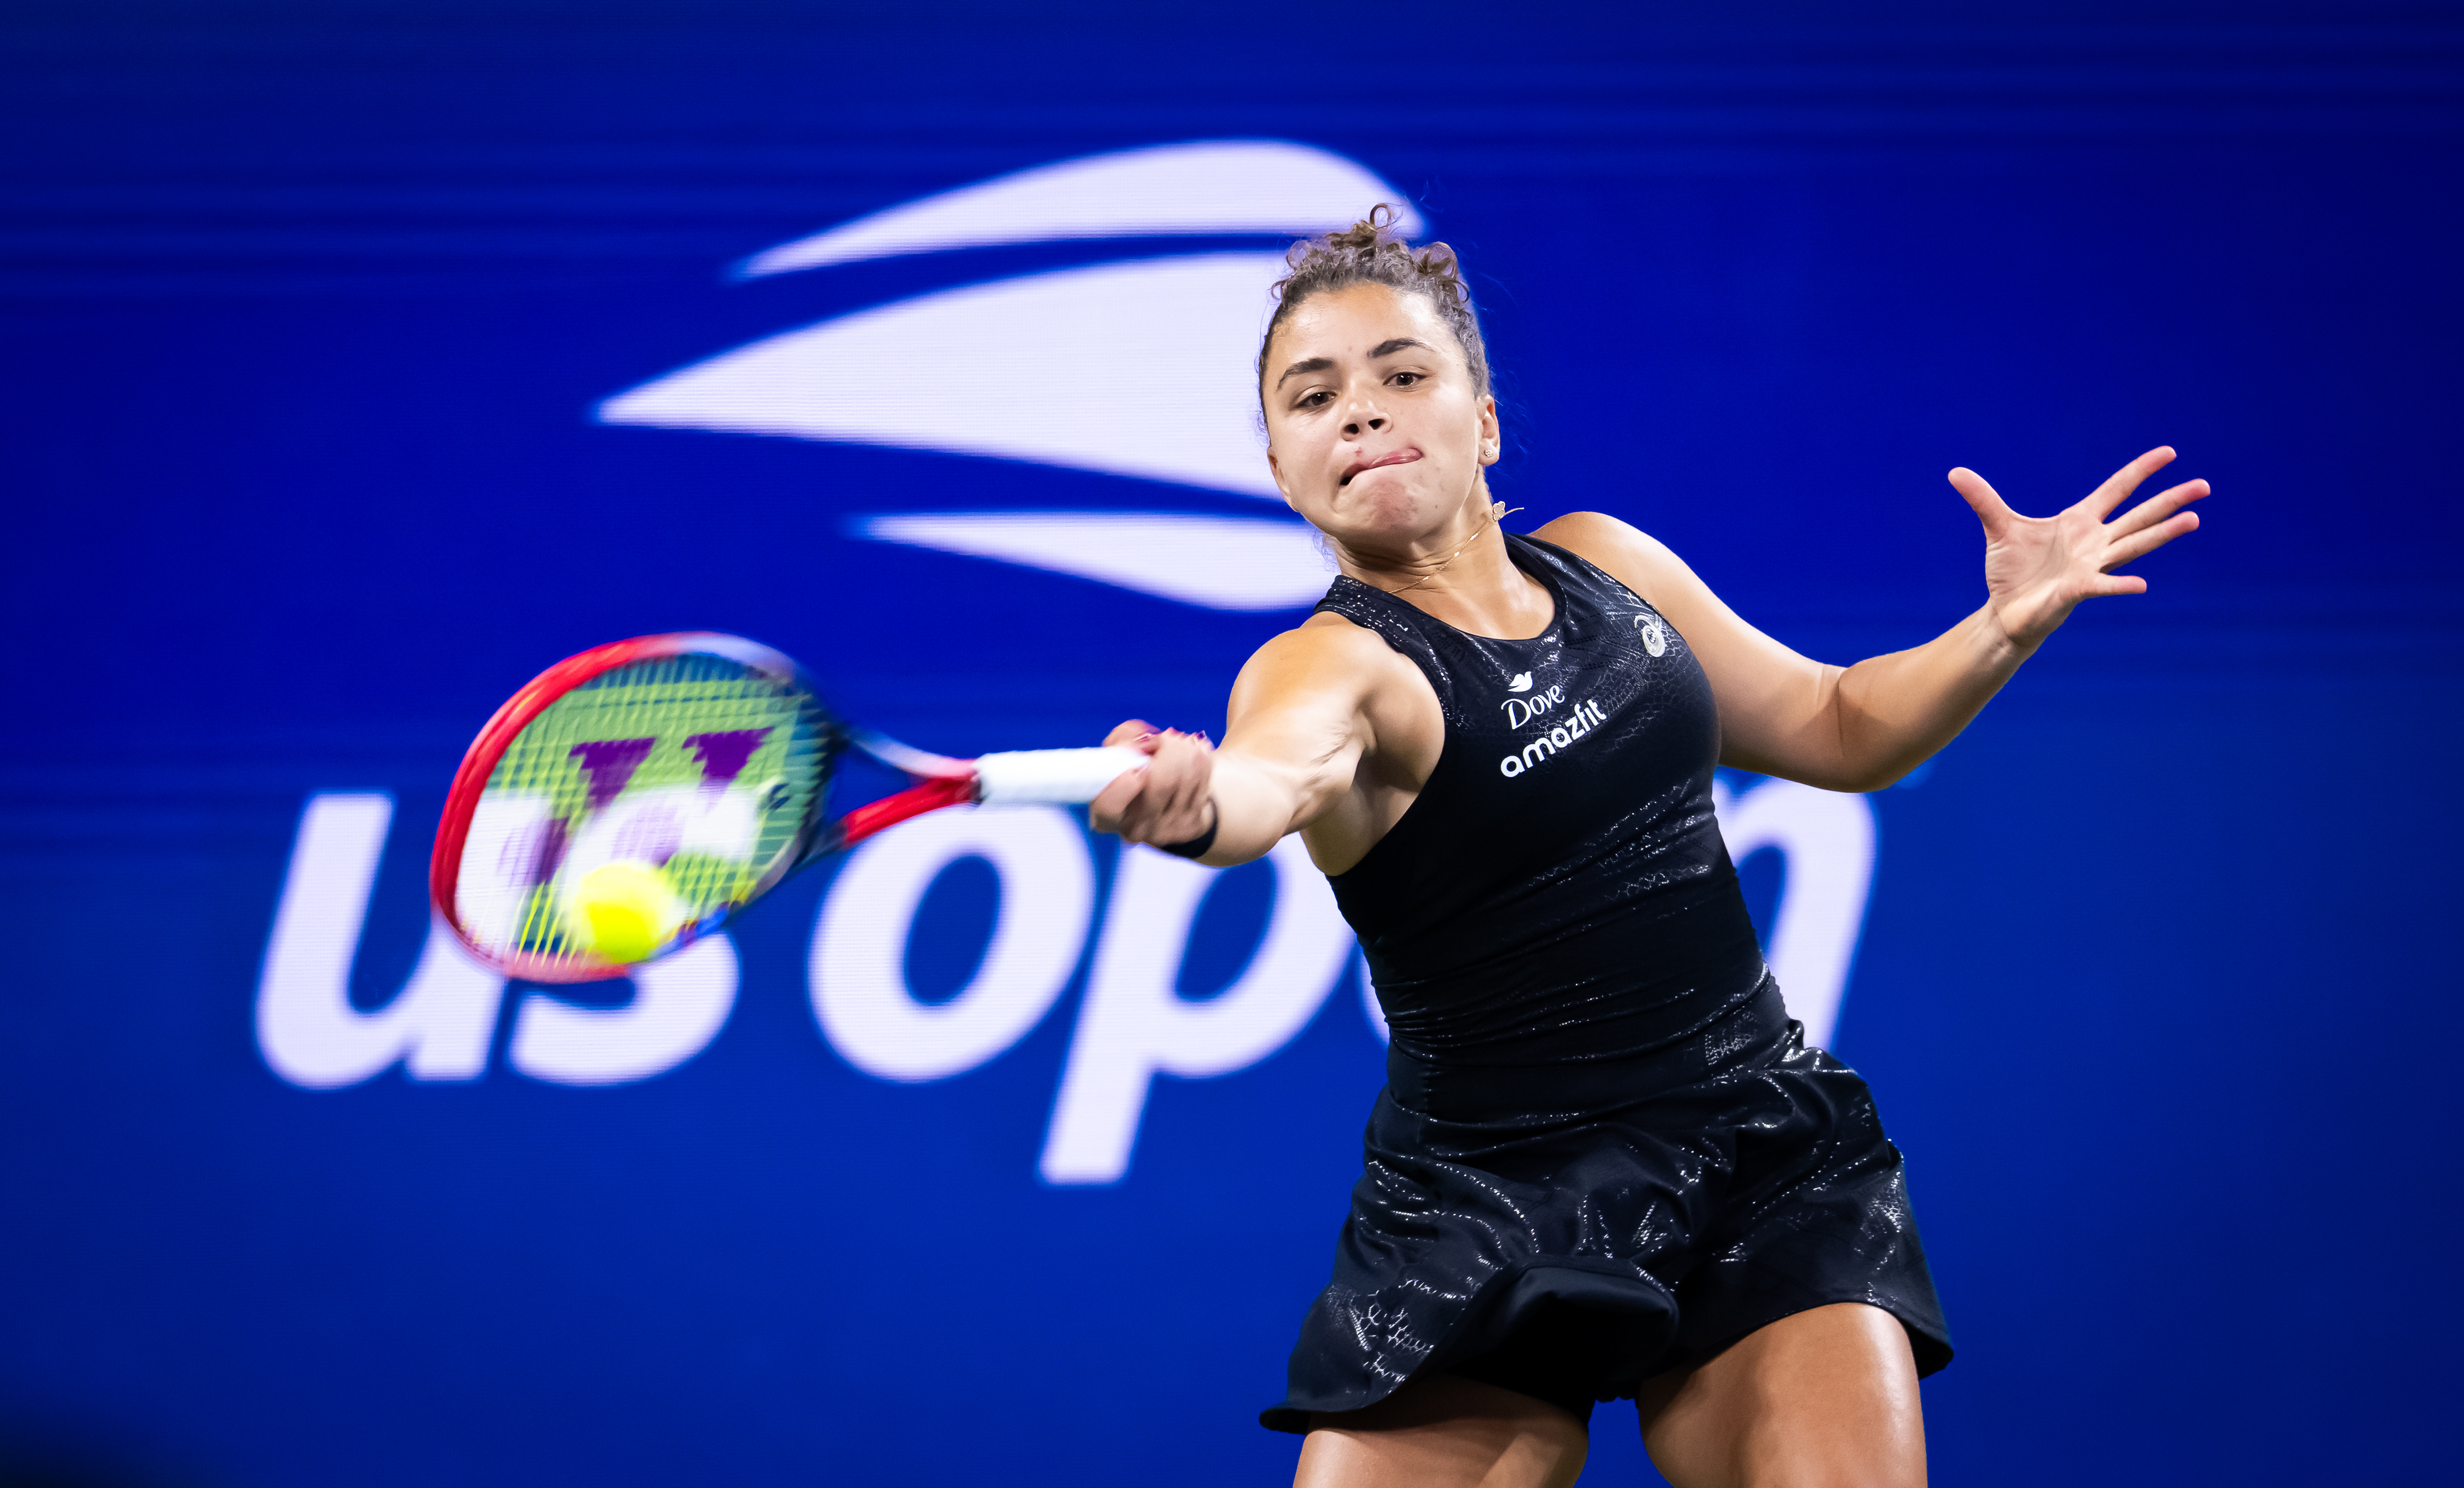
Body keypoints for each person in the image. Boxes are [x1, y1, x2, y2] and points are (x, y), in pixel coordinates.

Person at [1088, 208, 2206, 1488]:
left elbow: (1837, 722)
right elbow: (1265, 781)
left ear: (1485, 417)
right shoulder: (1329, 664)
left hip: (1752, 1147)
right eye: (1314, 395)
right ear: (1282, 467)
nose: (1362, 410)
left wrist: (1999, 628)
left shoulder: (1609, 566)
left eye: (1404, 373)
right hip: (1482, 1199)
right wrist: (1194, 808)